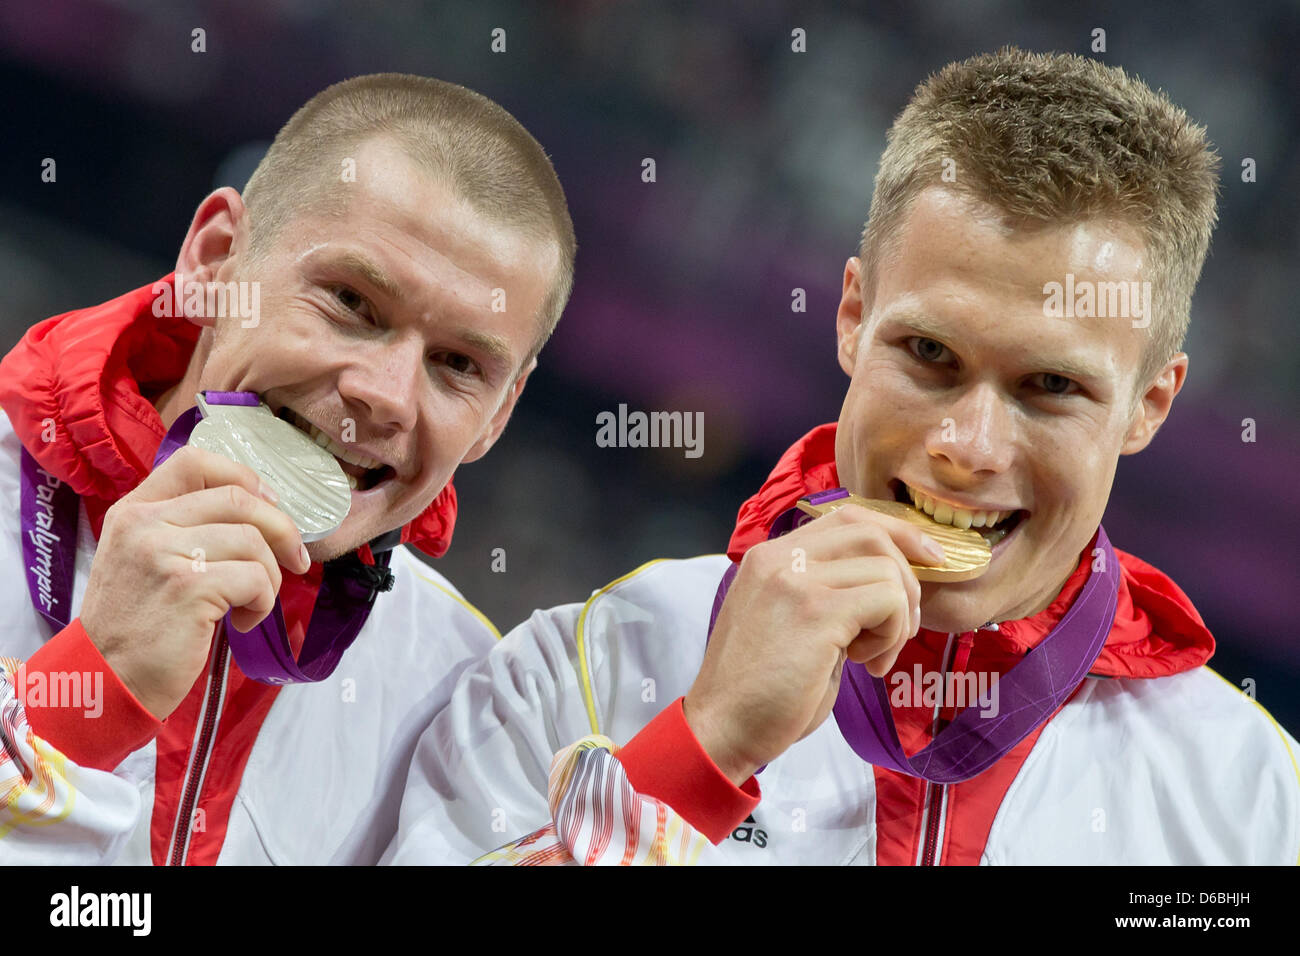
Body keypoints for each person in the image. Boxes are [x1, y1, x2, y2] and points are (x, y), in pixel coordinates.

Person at [382, 48, 1300, 865]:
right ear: (853, 317)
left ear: (1150, 404)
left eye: (1051, 387)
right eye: (930, 356)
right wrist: (702, 750)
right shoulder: (594, 664)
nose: (968, 449)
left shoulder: (1252, 796)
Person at [0, 73, 575, 864]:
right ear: (214, 262)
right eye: (351, 302)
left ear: (499, 415)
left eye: (458, 364)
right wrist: (90, 691)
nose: (385, 398)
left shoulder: (467, 700)